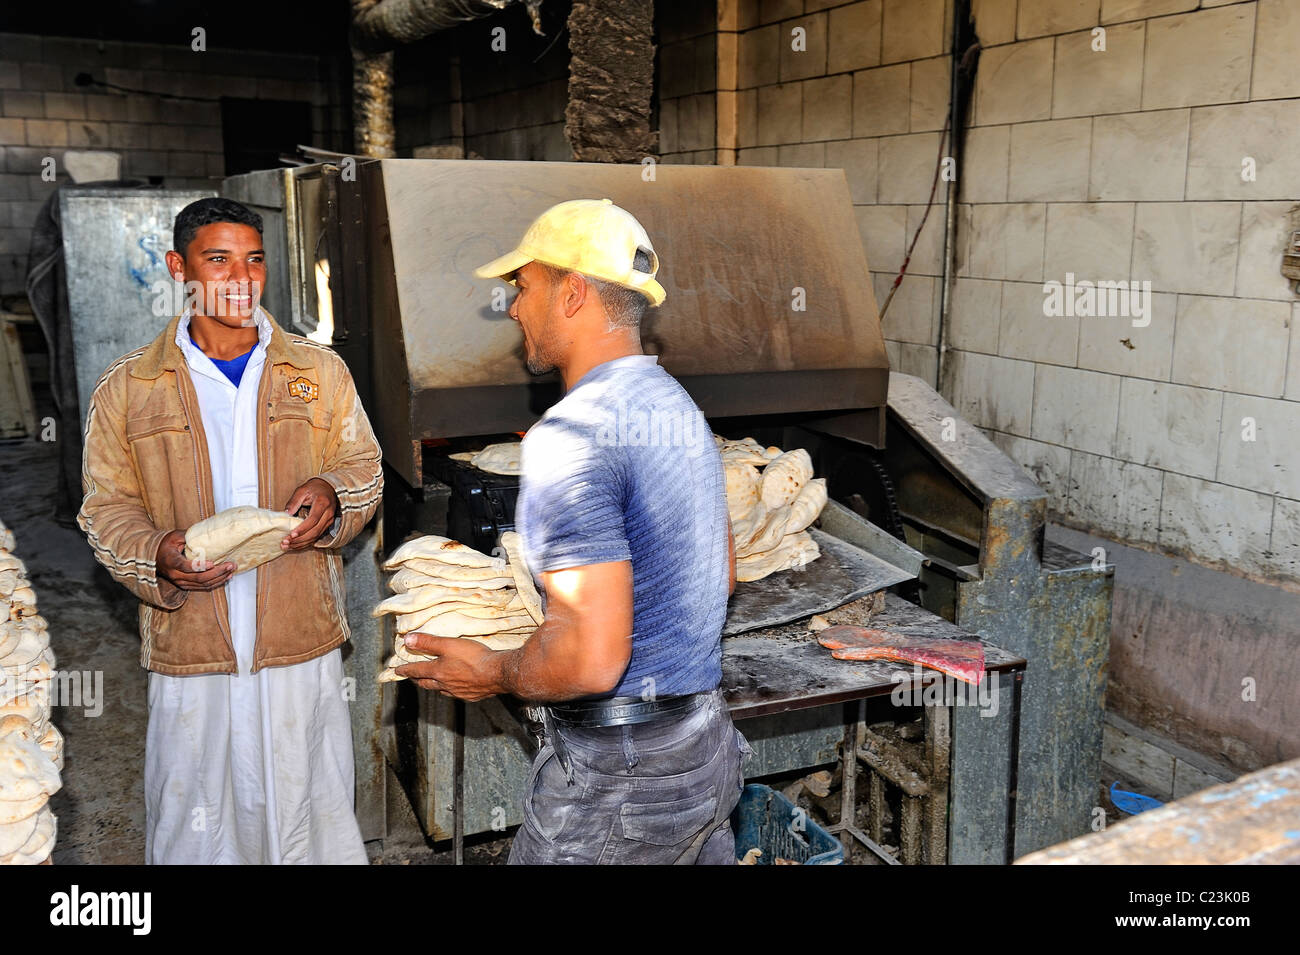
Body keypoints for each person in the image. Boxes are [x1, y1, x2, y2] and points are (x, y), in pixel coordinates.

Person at [398, 198, 749, 864]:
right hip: (702, 750)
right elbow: (721, 572)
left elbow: (589, 660)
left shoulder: (571, 435)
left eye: (523, 286)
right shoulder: (675, 404)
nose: (512, 307)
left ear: (574, 291)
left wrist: (493, 669)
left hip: (620, 783)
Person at [77, 197, 383, 864]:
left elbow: (364, 465)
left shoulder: (316, 372)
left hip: (297, 634)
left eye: (253, 260)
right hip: (192, 641)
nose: (239, 278)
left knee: (309, 804)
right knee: (196, 813)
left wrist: (334, 492)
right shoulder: (130, 387)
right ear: (178, 267)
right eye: (217, 260)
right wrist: (156, 553)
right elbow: (107, 508)